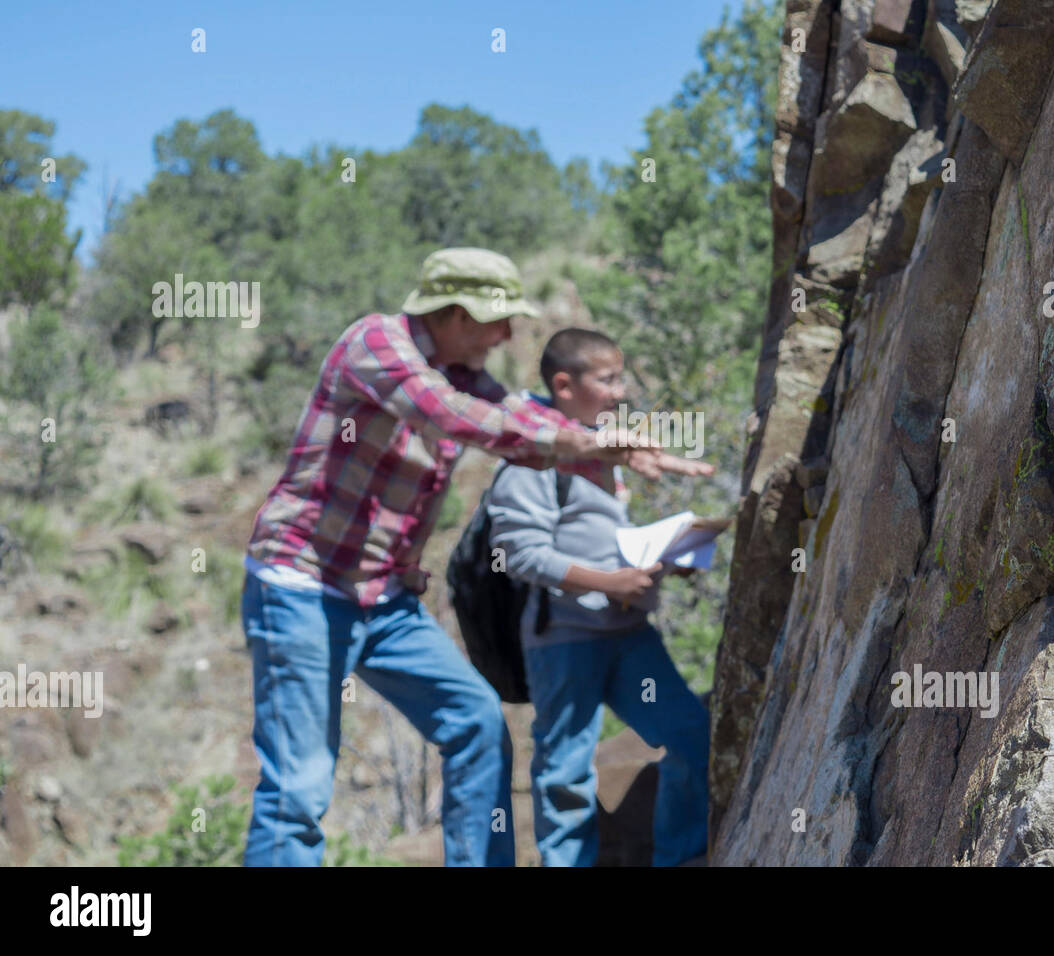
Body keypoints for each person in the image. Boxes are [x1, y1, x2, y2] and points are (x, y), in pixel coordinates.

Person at [239, 248, 710, 866]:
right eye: (499, 320)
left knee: (477, 723)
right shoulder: (377, 344)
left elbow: (516, 414)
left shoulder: (462, 372)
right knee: (299, 785)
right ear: (458, 313)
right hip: (300, 586)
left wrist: (608, 447)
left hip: (383, 602)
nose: (509, 335)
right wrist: (587, 442)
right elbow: (460, 419)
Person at [486, 328, 712, 866]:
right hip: (564, 641)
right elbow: (517, 552)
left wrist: (660, 562)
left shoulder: (604, 446)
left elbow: (600, 535)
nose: (619, 389)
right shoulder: (530, 458)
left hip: (628, 637)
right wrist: (608, 583)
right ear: (565, 384)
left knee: (690, 736)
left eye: (620, 376)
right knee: (564, 768)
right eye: (607, 378)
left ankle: (682, 857)